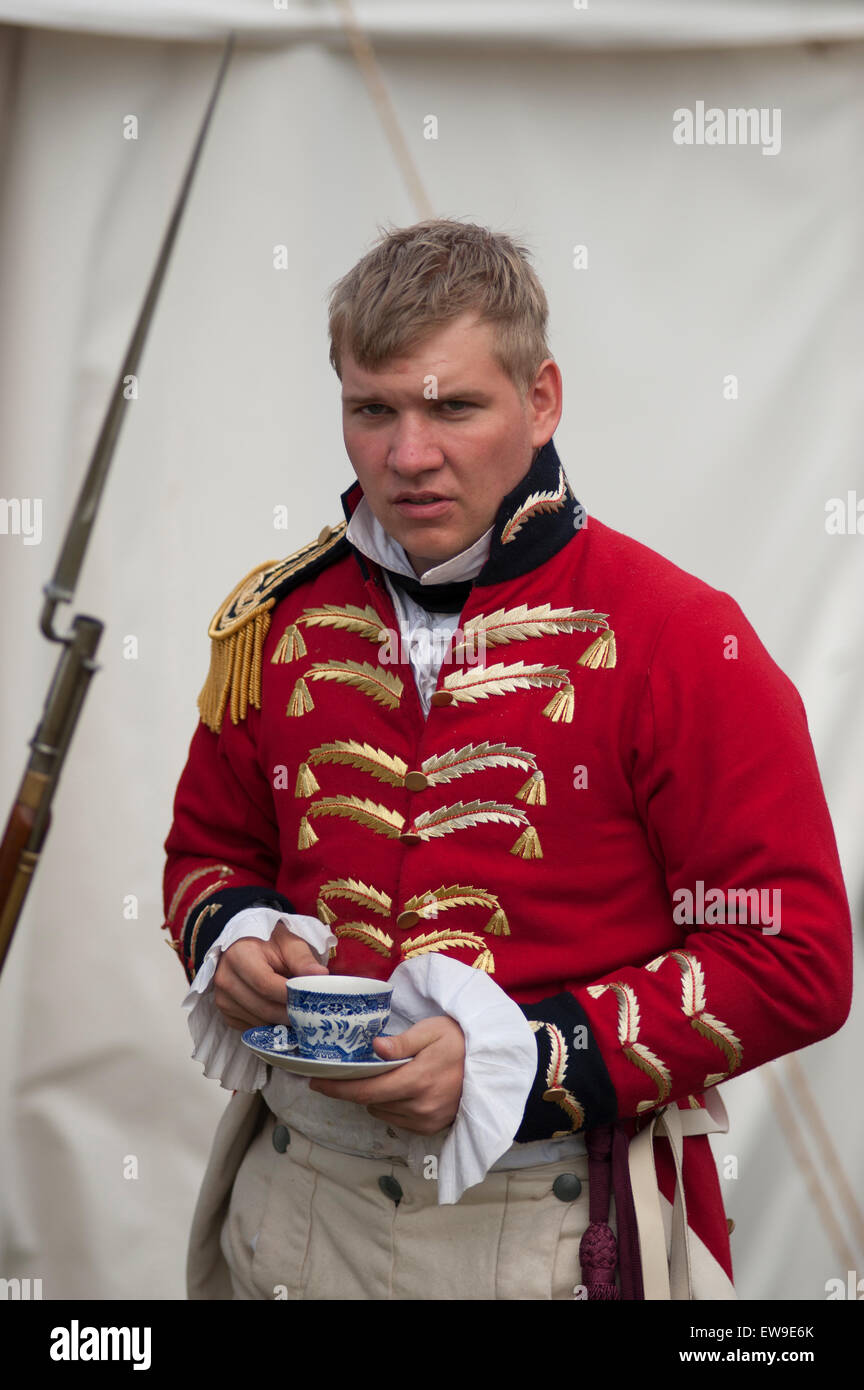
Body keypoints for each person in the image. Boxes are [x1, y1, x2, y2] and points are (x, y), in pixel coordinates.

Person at [162, 218, 852, 1301]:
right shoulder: (276, 618)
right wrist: (234, 934)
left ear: (541, 402)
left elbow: (793, 956)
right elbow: (209, 849)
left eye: (453, 406)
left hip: (541, 1229)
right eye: (372, 409)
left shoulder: (679, 635)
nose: (408, 455)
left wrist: (534, 1057)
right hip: (293, 1202)